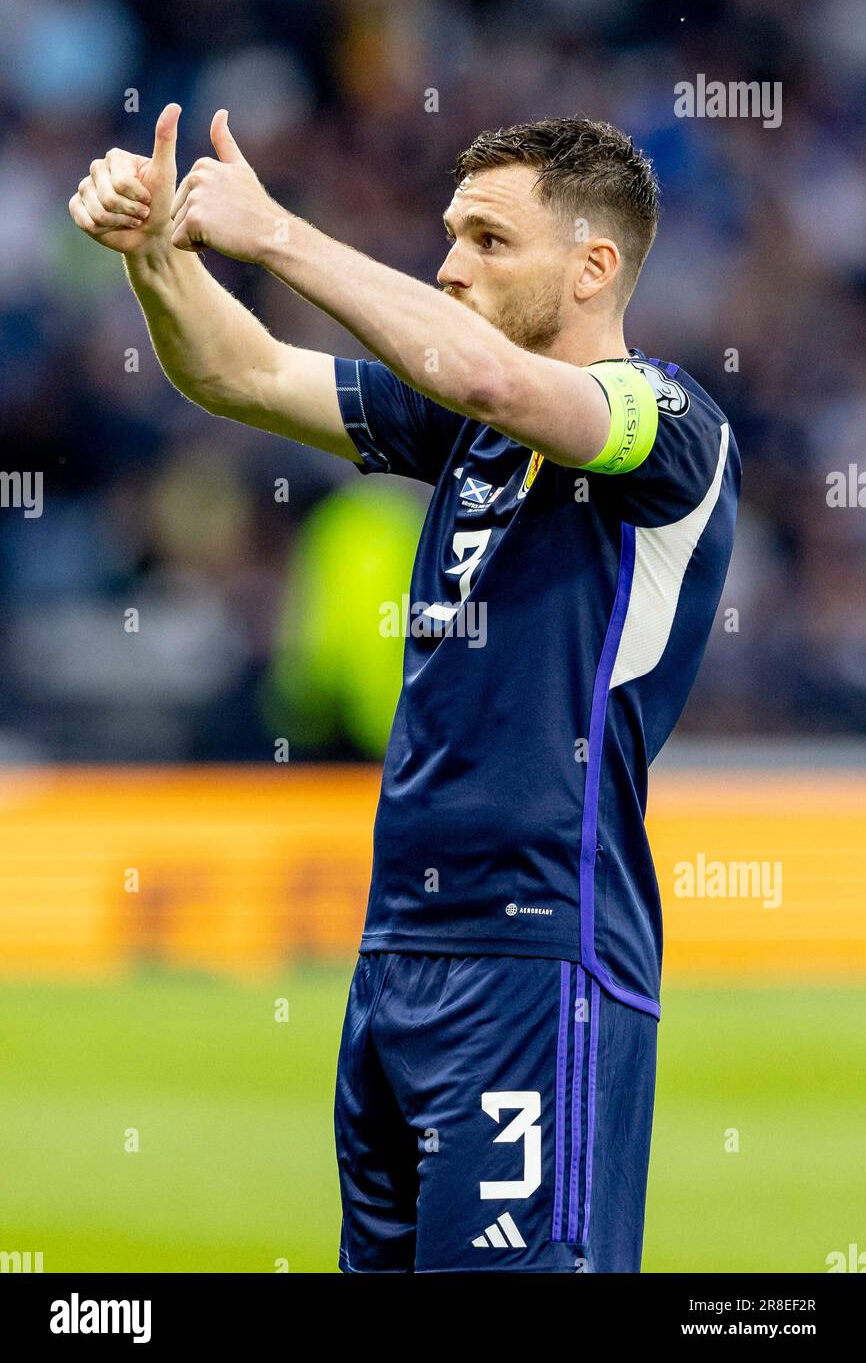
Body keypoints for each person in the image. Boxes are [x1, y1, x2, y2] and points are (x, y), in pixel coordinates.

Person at [70, 105, 740, 1272]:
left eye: (486, 240)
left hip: (543, 948)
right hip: (396, 949)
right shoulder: (466, 431)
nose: (446, 263)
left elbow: (486, 375)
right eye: (448, 235)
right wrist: (158, 259)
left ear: (592, 268)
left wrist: (273, 231)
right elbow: (240, 370)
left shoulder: (667, 423)